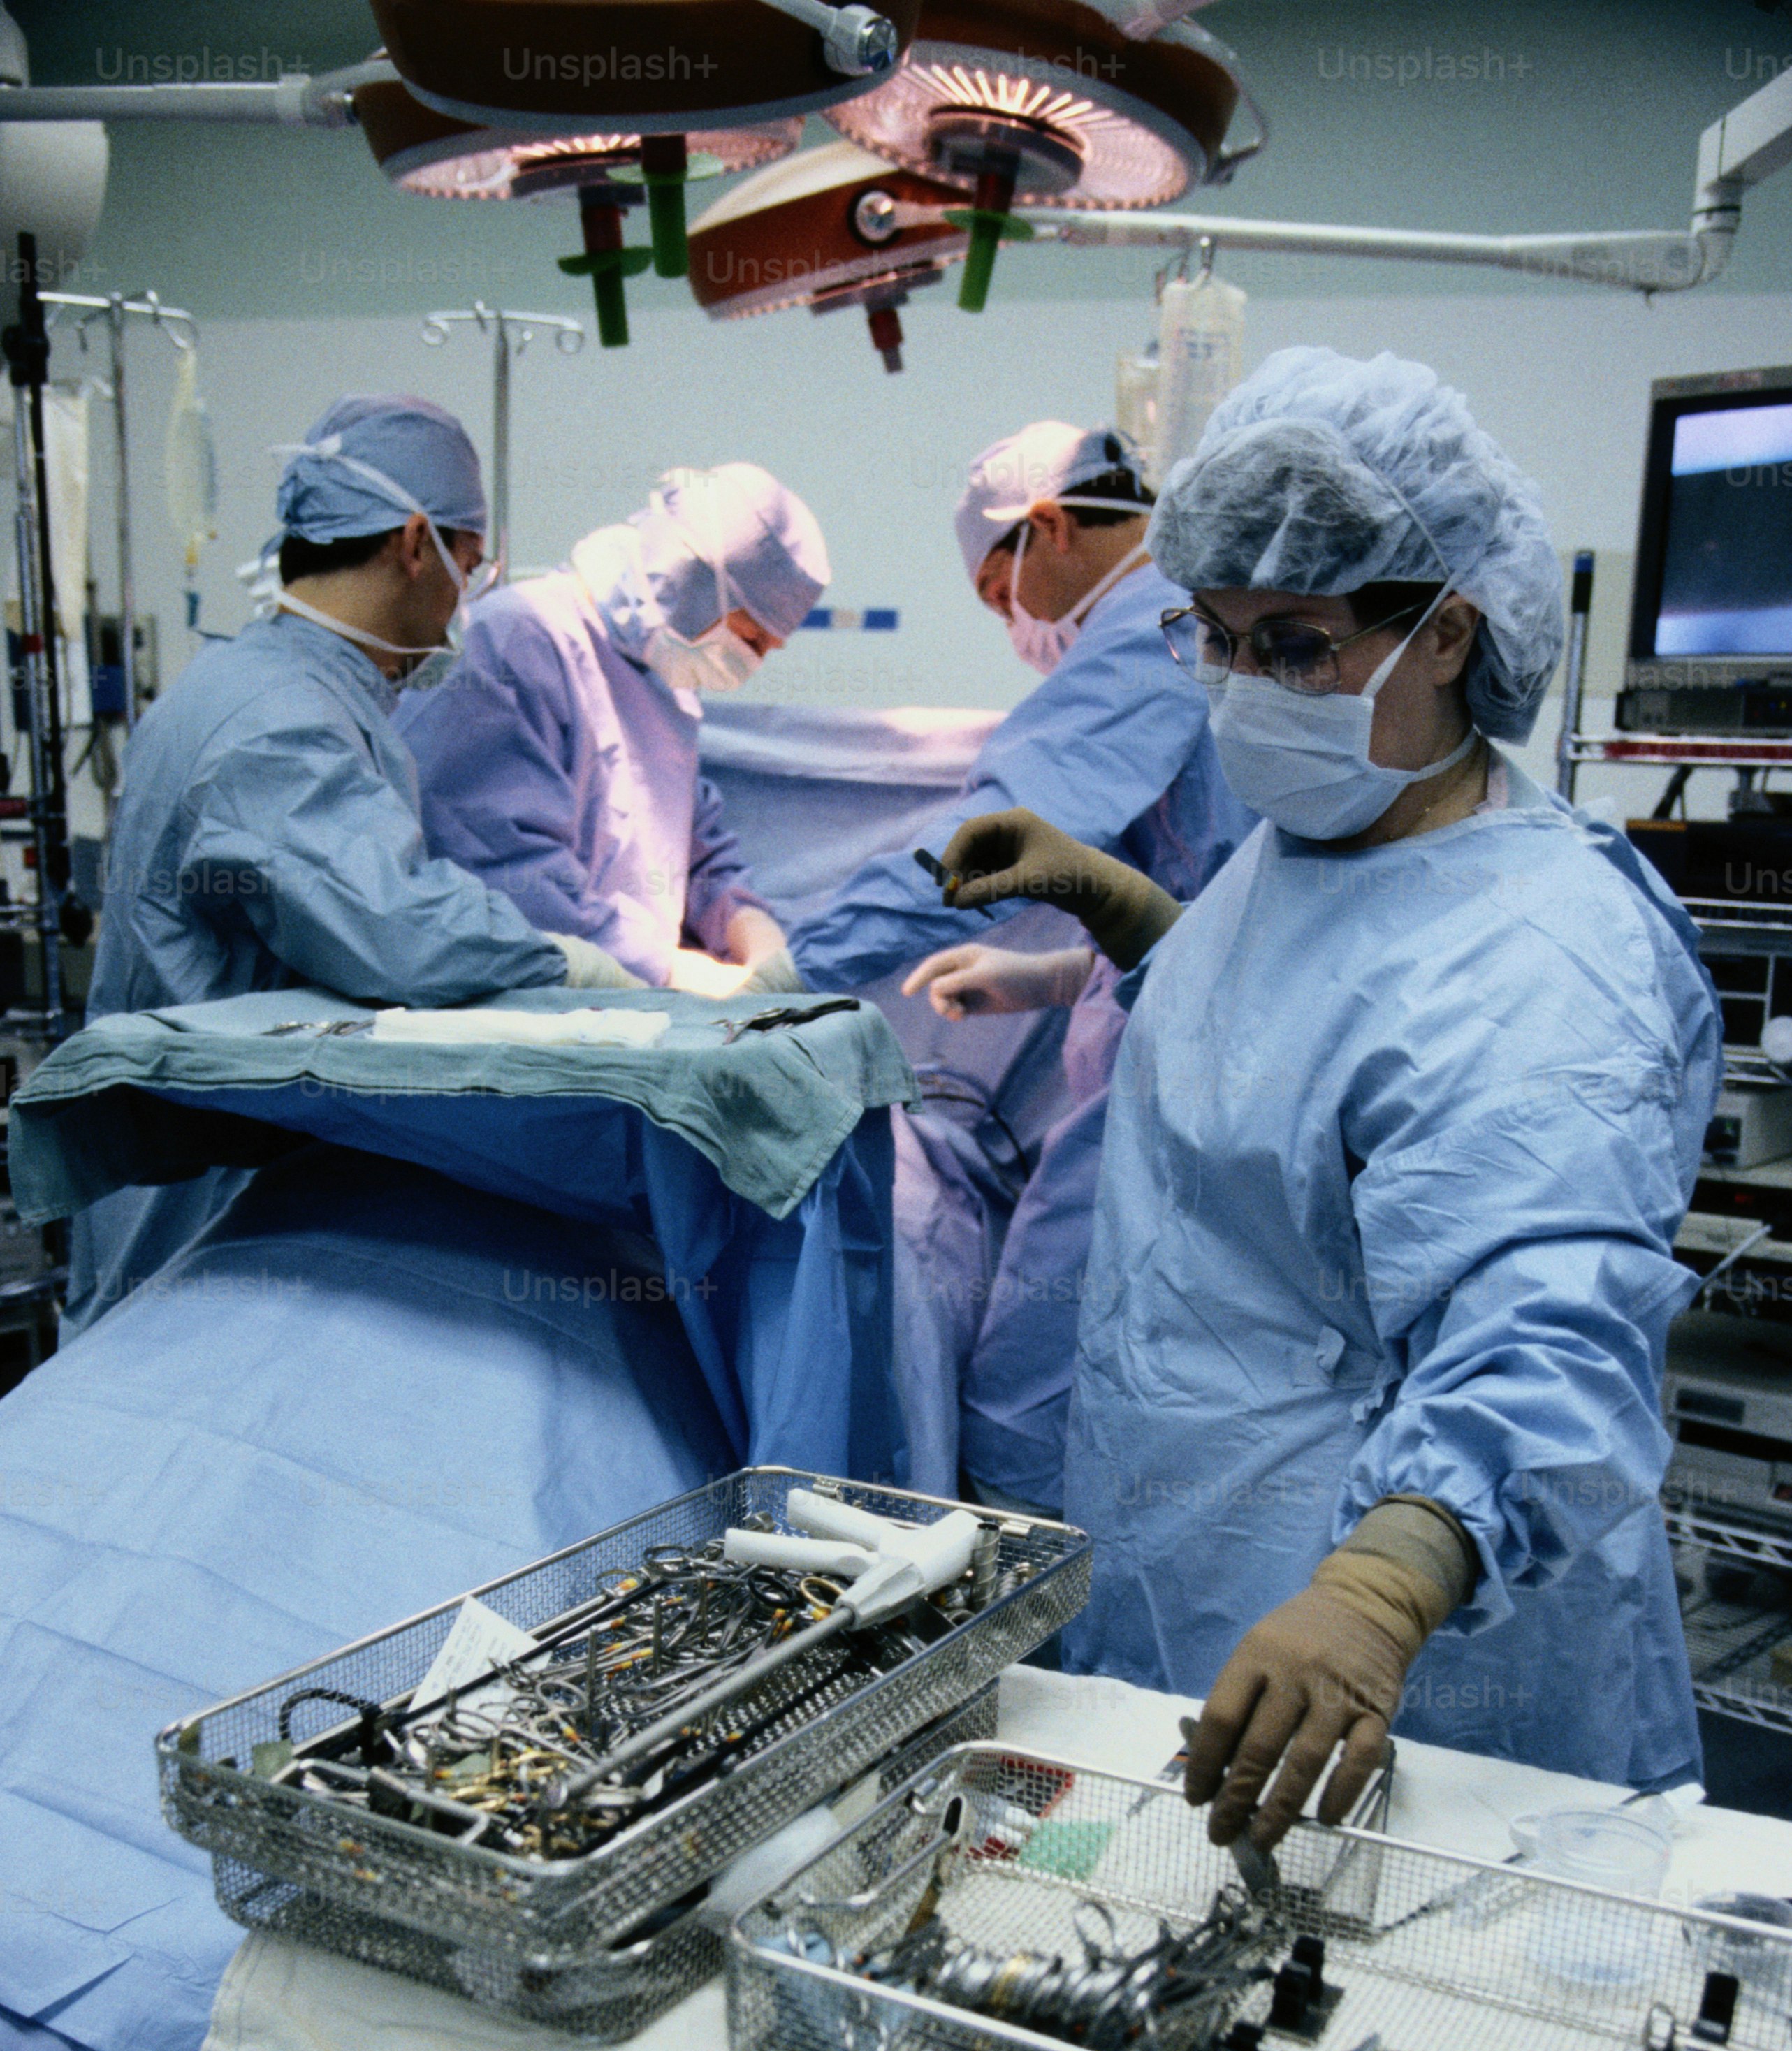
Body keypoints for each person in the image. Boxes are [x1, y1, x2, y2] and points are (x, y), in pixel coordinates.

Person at [934, 347, 1721, 1839]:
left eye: (1292, 644)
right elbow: (1292, 1088)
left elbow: (1547, 1323)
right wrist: (1119, 909)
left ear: (1444, 633)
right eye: (1213, 638)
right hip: (1200, 1553)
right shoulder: (1318, 842)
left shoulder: (1543, 954)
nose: (1242, 689)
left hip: (1401, 1654)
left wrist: (1375, 1590)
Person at [71, 394, 629, 1331]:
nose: (466, 595)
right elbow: (395, 929)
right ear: (417, 544)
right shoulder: (274, 720)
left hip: (233, 1184)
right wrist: (564, 961)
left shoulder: (274, 683)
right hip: (205, 1212)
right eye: (470, 562)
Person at [789, 423, 1253, 1513]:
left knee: (1016, 1417)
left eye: (1002, 595)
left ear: (1043, 529)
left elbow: (991, 835)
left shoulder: (1149, 627)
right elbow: (1199, 895)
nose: (1014, 627)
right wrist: (1047, 978)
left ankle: (1031, 1651)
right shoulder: (1192, 623)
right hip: (1201, 1044)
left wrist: (790, 972)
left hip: (1181, 1084)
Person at [395, 465, 829, 995]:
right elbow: (502, 870)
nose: (752, 663)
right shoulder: (516, 641)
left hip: (621, 1010)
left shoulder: (662, 675)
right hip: (527, 1003)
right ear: (691, 583)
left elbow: (695, 851)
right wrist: (673, 970)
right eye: (752, 640)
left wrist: (757, 938)